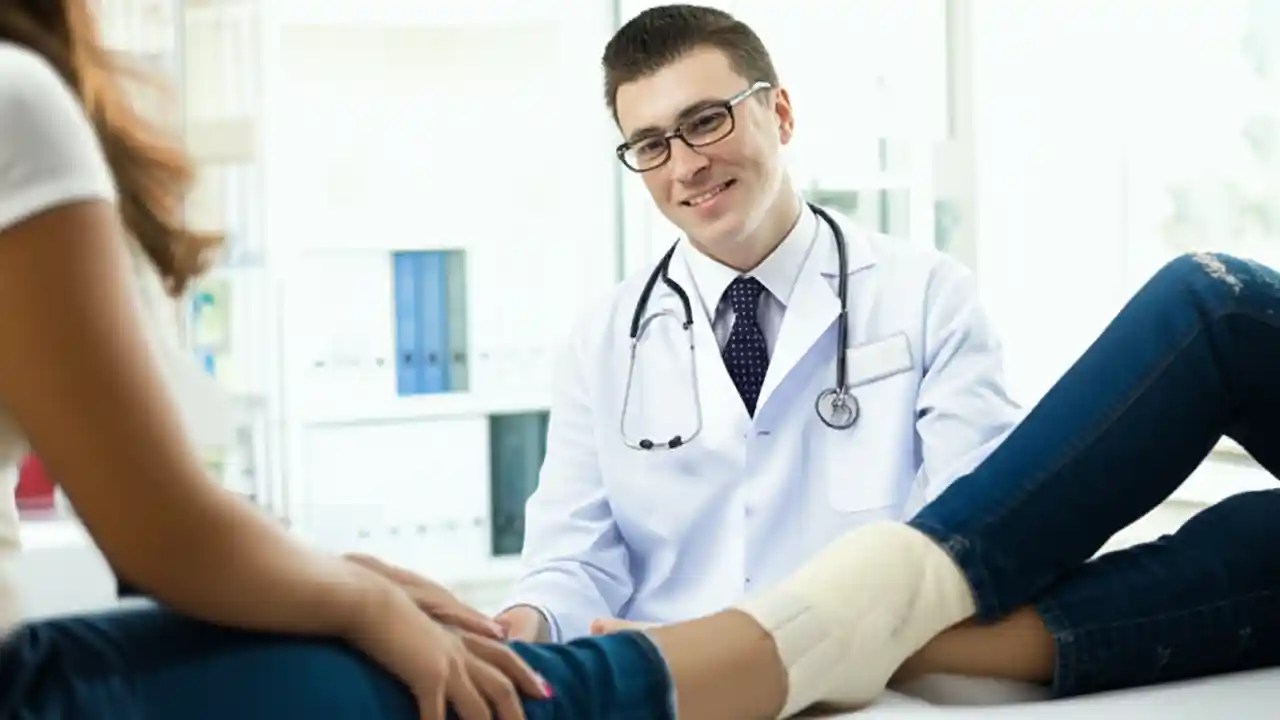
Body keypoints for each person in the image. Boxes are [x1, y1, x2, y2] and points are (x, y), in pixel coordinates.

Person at [498, 3, 1022, 644]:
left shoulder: (929, 296)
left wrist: (800, 640)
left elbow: (972, 530)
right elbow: (571, 559)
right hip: (672, 685)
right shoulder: (603, 342)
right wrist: (525, 625)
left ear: (780, 114)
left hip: (872, 677)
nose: (684, 166)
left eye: (705, 122)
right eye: (651, 144)